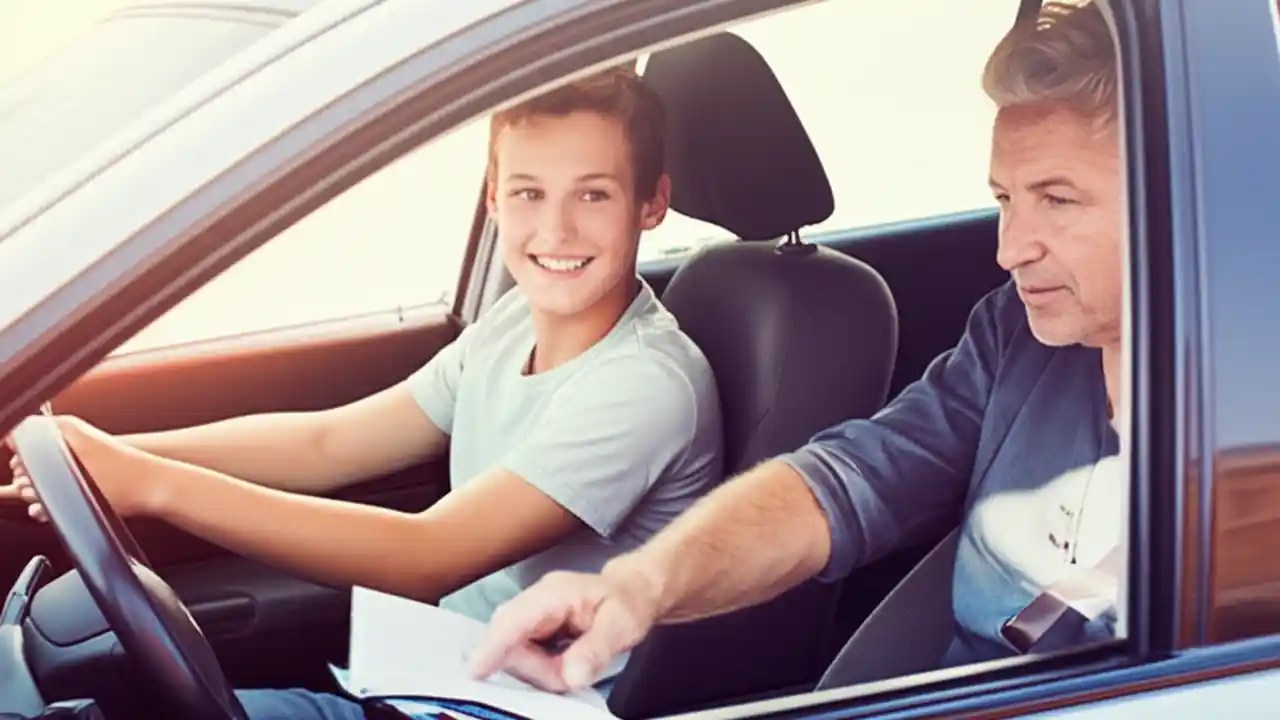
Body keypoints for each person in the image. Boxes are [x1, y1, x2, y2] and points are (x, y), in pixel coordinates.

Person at [3, 68, 723, 719]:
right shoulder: (513, 322)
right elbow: (333, 442)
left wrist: (153, 486)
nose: (556, 229)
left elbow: (427, 555)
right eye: (530, 192)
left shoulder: (644, 384)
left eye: (593, 194)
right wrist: (107, 454)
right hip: (443, 681)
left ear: (652, 203)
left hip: (518, 710)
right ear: (494, 197)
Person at [470, 1, 1127, 694]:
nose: (1008, 250)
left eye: (1057, 200)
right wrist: (638, 588)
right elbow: (842, 483)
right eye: (1004, 200)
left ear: (1170, 193)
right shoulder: (1015, 338)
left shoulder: (1242, 411)